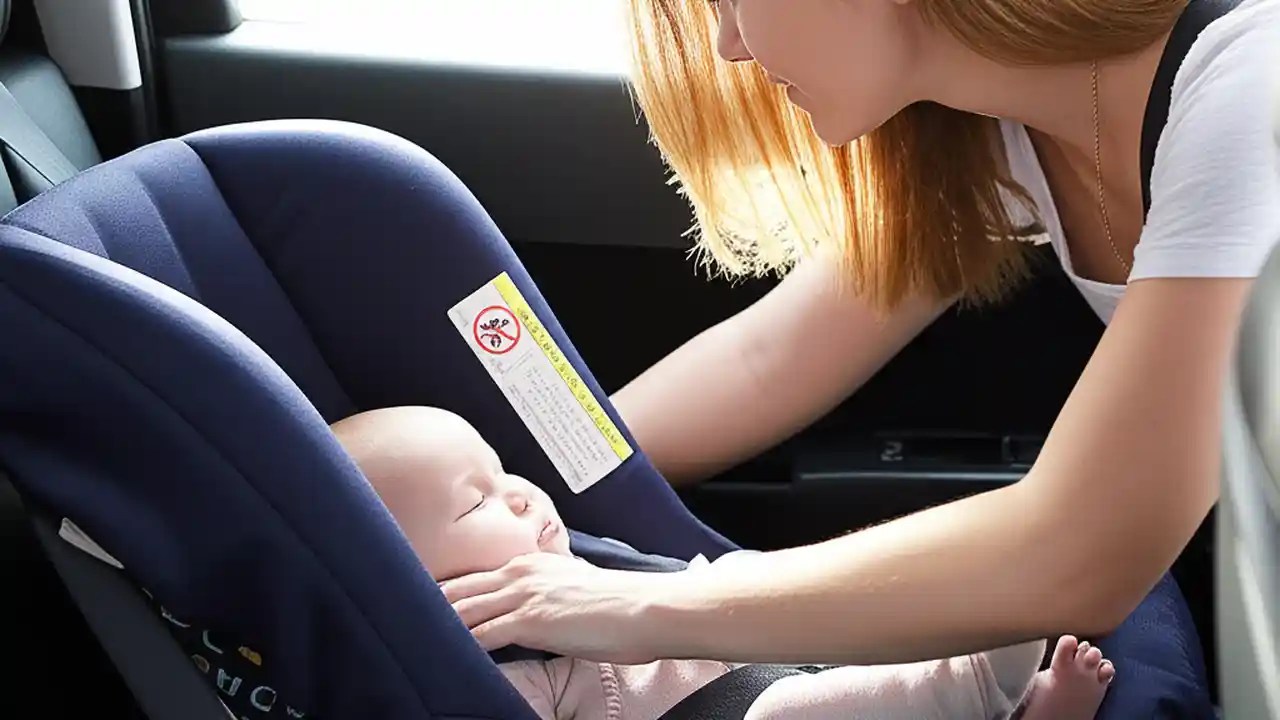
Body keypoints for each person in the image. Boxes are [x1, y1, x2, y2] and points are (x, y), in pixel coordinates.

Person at [440, 0, 1280, 714]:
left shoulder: (1251, 92)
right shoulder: (1005, 142)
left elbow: (1074, 553)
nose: (728, 45)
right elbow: (764, 361)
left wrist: (635, 606)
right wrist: (471, 498)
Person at [330, 405, 1116, 719]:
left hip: (777, 657)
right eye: (477, 505)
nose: (524, 496)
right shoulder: (498, 672)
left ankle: (1005, 686)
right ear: (419, 585)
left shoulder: (601, 566)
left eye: (506, 472)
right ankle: (975, 680)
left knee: (746, 579)